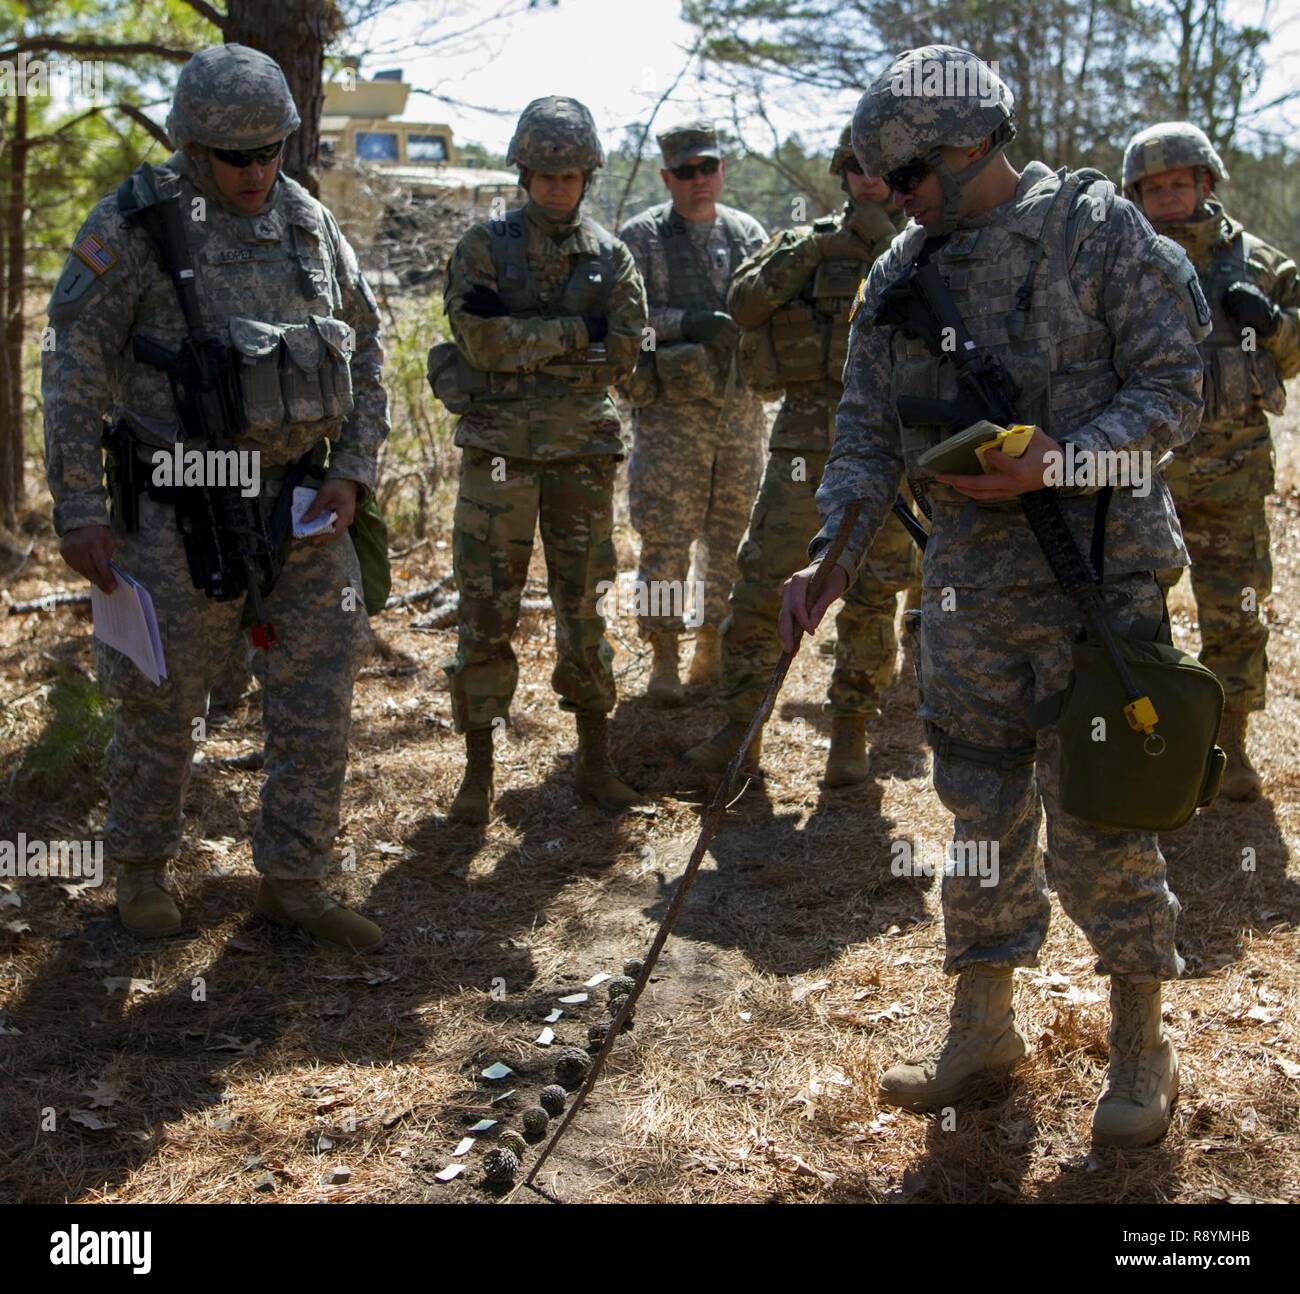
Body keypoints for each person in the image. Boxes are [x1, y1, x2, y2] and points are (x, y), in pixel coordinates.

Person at [781, 46, 1210, 1147]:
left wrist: (1060, 463)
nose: (900, 203)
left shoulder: (1098, 234)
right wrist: (831, 552)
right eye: (887, 188)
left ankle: (1139, 1047)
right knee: (976, 815)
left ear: (969, 148)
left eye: (911, 179)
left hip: (1097, 587)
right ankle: (983, 1023)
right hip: (968, 595)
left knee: (1104, 815)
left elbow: (1177, 392)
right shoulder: (901, 276)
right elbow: (865, 432)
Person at [43, 44, 388, 950]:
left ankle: (295, 877)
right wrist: (78, 505)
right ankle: (145, 867)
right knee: (160, 697)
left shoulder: (309, 224)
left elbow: (368, 347)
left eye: (271, 149)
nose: (257, 170)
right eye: (236, 156)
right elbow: (73, 365)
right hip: (177, 507)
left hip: (301, 510)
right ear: (191, 146)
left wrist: (352, 470)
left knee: (318, 691)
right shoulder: (135, 224)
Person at [685, 124, 918, 784]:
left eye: (883, 167)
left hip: (893, 445)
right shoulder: (804, 243)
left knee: (874, 592)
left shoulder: (929, 244)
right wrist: (821, 250)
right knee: (761, 582)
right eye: (858, 166)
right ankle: (742, 730)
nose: (870, 178)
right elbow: (744, 302)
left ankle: (851, 733)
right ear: (842, 172)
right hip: (804, 441)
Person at [439, 96, 648, 823]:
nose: (557, 188)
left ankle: (595, 761)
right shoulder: (483, 247)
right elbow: (477, 342)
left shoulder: (611, 256)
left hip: (581, 460)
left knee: (585, 607)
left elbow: (622, 353)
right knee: (486, 609)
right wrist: (568, 334)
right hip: (496, 458)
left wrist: (521, 342)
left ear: (587, 176)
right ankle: (478, 773)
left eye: (570, 176)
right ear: (524, 173)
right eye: (545, 175)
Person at [1122, 121, 1300, 801]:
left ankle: (1232, 747)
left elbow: (1295, 351)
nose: (1167, 198)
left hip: (1233, 483)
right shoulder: (1122, 261)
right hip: (1142, 484)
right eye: (1154, 188)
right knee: (1139, 620)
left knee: (1237, 616)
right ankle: (1155, 741)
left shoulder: (1258, 263)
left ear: (1206, 183)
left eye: (1178, 184)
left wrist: (1277, 324)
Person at [617, 122, 768, 704]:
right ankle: (661, 655)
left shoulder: (747, 233)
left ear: (721, 171)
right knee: (665, 541)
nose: (699, 181)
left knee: (729, 539)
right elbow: (626, 325)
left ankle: (712, 644)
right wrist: (686, 323)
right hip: (670, 420)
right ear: (667, 177)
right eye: (686, 172)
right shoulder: (643, 238)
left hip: (739, 415)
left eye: (708, 168)